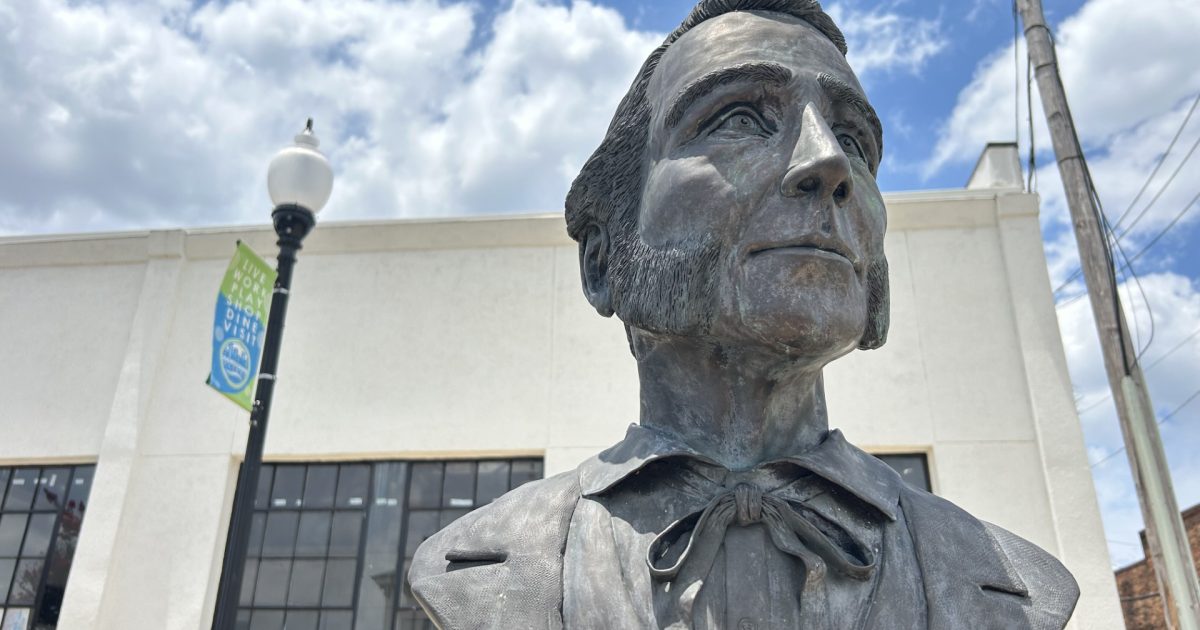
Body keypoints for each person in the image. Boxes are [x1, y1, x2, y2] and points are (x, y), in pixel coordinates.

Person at [409, 1, 1079, 627]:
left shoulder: (1012, 587)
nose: (828, 162)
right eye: (737, 118)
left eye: (854, 139)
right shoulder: (481, 569)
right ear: (603, 262)